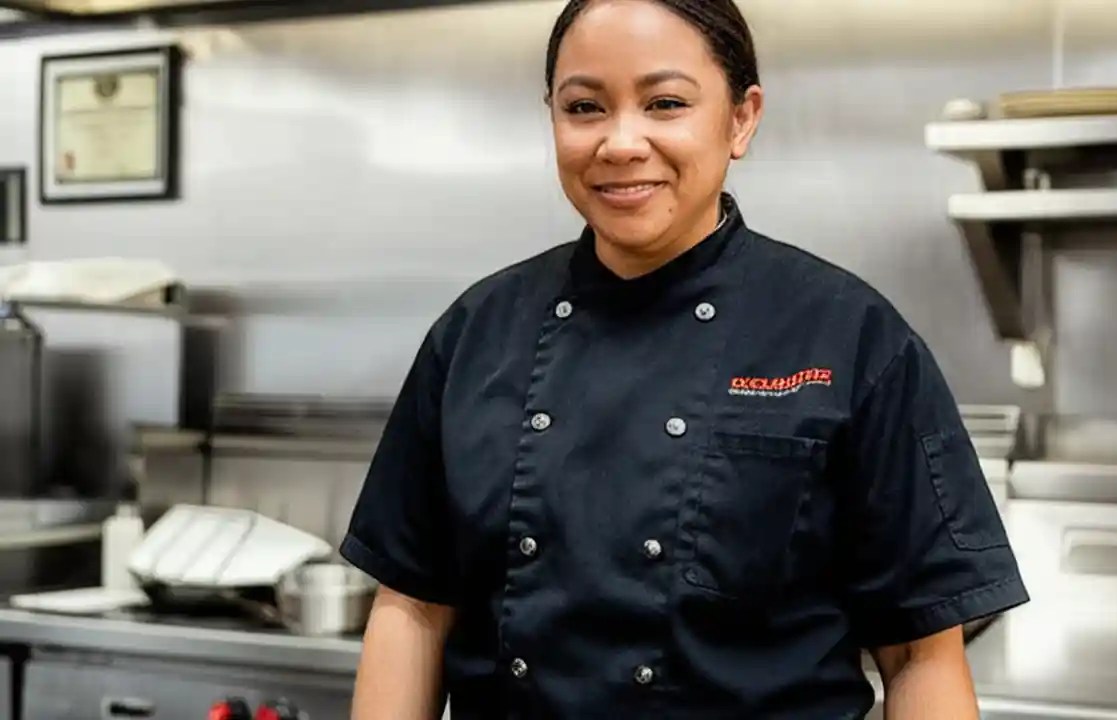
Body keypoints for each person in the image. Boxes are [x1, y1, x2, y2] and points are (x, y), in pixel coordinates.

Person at [342, 0, 1028, 717]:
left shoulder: (849, 337)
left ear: (741, 118)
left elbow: (920, 652)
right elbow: (412, 609)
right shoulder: (475, 334)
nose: (620, 142)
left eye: (665, 103)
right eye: (584, 107)